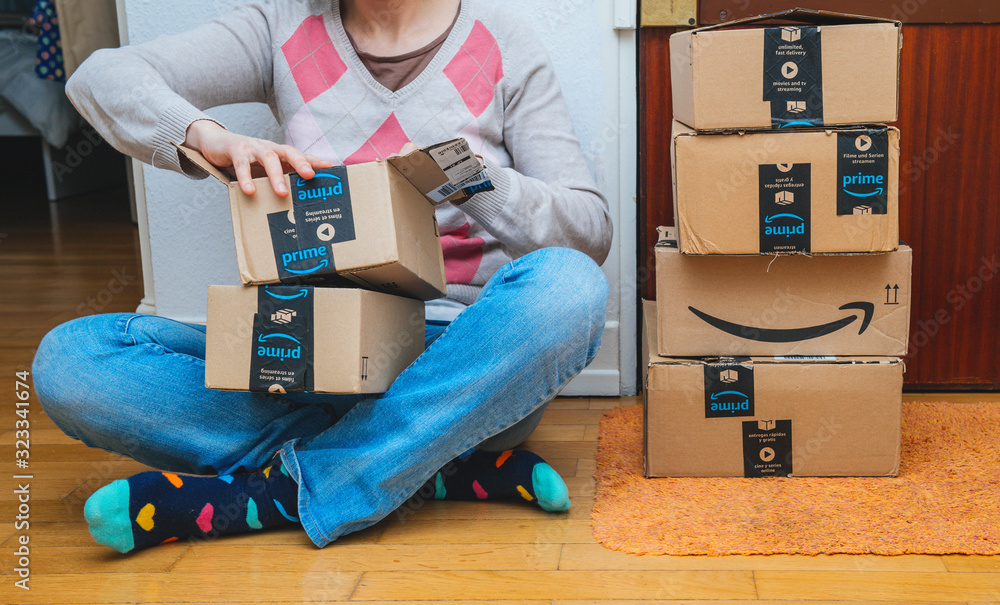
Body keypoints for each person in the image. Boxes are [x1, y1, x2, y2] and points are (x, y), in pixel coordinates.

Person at [33, 0, 612, 554]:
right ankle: (417, 466)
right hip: (307, 358)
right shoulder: (278, 27)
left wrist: (471, 177)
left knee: (570, 285)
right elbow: (98, 77)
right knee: (72, 360)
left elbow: (589, 232)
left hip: (453, 365)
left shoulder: (504, 40)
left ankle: (285, 488)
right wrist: (206, 137)